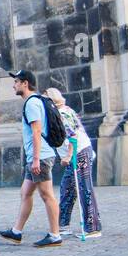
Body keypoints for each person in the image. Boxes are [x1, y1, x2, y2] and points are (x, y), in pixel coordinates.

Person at [0, 69, 63, 247]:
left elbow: (36, 131)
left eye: (17, 82)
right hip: (38, 157)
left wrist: (34, 160)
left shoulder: (32, 104)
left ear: (25, 83)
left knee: (46, 195)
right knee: (25, 192)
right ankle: (16, 232)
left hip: (40, 157)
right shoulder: (34, 102)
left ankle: (55, 234)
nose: (14, 85)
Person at [46, 87, 102, 238]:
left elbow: (73, 136)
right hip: (80, 151)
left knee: (84, 188)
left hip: (79, 152)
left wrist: (68, 156)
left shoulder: (62, 114)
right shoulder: (65, 110)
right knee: (67, 188)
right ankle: (63, 225)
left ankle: (92, 228)